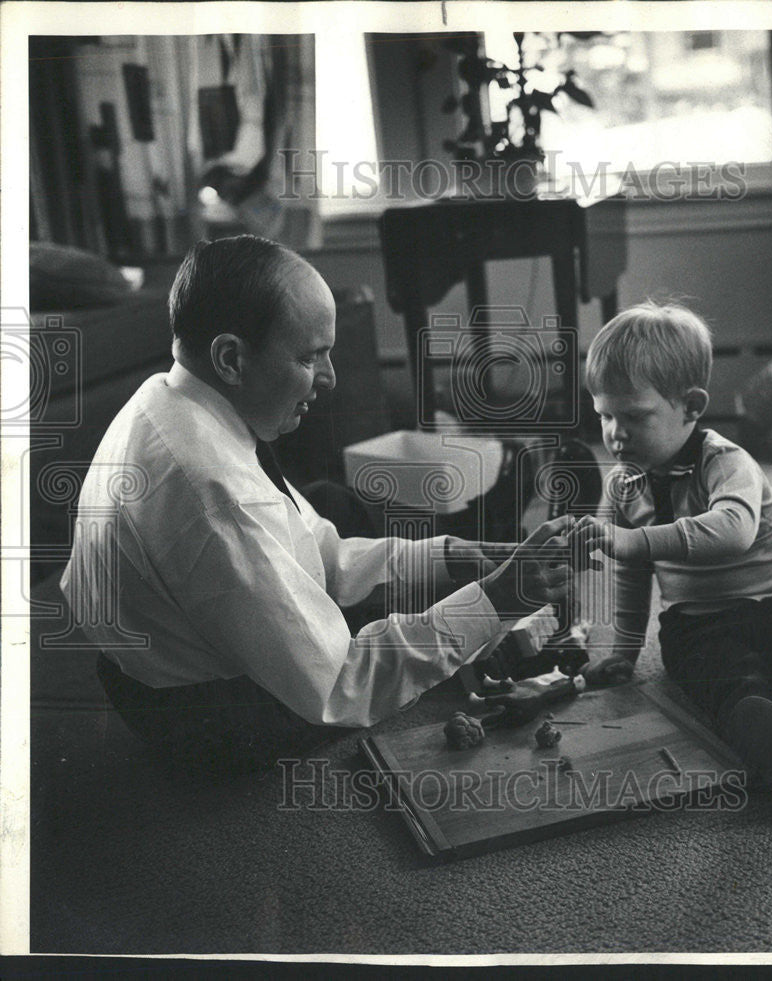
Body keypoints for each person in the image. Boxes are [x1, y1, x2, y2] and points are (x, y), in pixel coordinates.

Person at [61, 235, 574, 770]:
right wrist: (493, 602)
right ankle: (482, 585)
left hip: (148, 654)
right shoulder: (217, 496)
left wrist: (444, 555)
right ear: (231, 357)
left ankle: (465, 542)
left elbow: (313, 550)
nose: (328, 378)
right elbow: (340, 687)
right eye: (309, 358)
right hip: (198, 712)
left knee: (331, 502)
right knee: (382, 651)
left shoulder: (171, 395)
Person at [571, 301, 772, 811]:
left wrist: (632, 540)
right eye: (604, 416)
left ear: (691, 407)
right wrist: (625, 652)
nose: (615, 434)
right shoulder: (623, 485)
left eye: (635, 416)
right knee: (725, 686)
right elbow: (633, 577)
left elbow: (733, 531)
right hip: (695, 624)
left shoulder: (727, 462)